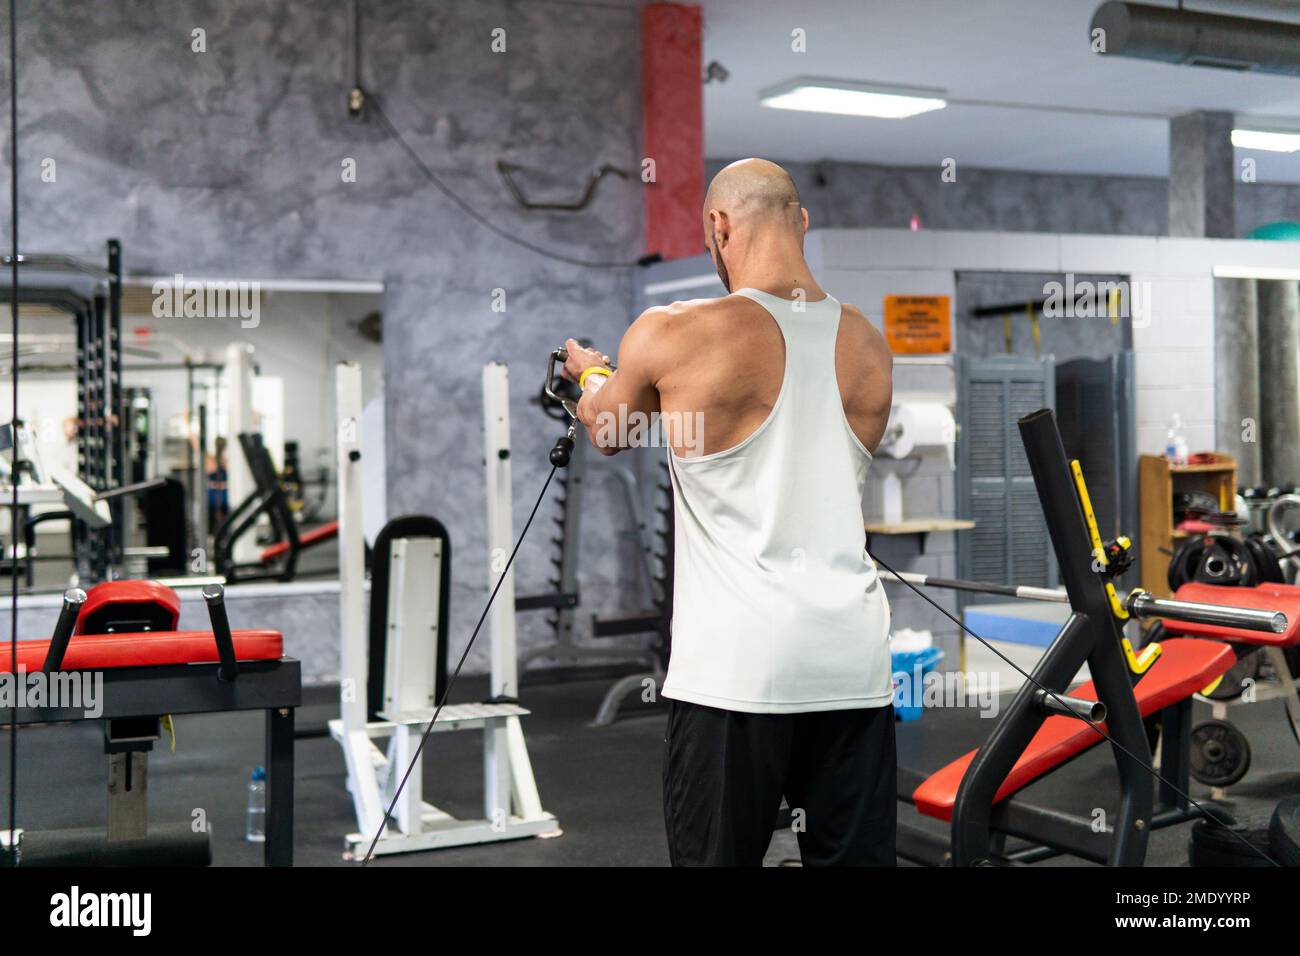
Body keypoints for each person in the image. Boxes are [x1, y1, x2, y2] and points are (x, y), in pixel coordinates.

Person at [559, 158, 896, 866]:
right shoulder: (868, 344)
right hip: (852, 664)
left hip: (736, 673)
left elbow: (609, 429)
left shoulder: (673, 330)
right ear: (801, 221)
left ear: (718, 227)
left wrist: (589, 372)